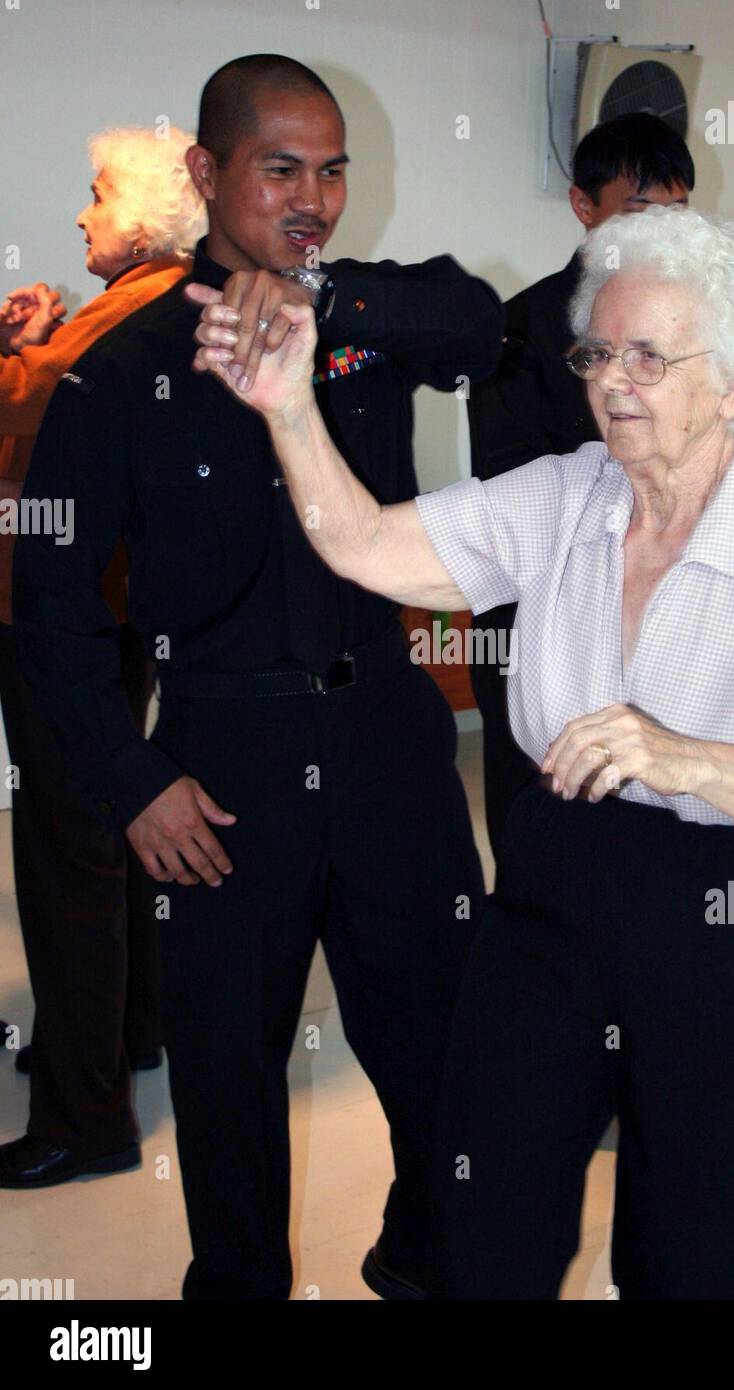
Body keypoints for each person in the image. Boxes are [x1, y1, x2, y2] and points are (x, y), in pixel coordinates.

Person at [193, 203, 734, 1299]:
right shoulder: (564, 495)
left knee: (690, 1243)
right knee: (487, 1203)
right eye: (598, 350)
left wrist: (680, 757)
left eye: (650, 356)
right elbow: (367, 545)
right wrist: (289, 409)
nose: (613, 379)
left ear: (733, 383)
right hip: (555, 881)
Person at [14, 54, 501, 1300]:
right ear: (206, 173)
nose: (314, 195)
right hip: (220, 772)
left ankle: (422, 1256)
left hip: (392, 739)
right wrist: (132, 782)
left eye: (333, 169)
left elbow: (479, 321)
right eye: (280, 168)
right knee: (229, 1087)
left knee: (452, 1053)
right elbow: (52, 611)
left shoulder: (367, 329)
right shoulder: (118, 377)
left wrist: (322, 304)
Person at [0, 125, 205, 1189]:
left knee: (68, 854)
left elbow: (39, 415)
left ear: (142, 212)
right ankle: (126, 1035)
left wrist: (15, 355)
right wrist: (34, 338)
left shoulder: (145, 304)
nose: (82, 213)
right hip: (102, 609)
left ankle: (85, 1116)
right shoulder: (136, 304)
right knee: (102, 834)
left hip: (67, 616)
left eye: (95, 195)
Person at [467, 113, 694, 869]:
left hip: (662, 611)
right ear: (582, 205)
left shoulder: (701, 327)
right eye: (638, 212)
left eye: (676, 212)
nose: (661, 233)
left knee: (649, 835)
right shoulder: (524, 324)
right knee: (538, 824)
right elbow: (511, 488)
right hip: (539, 615)